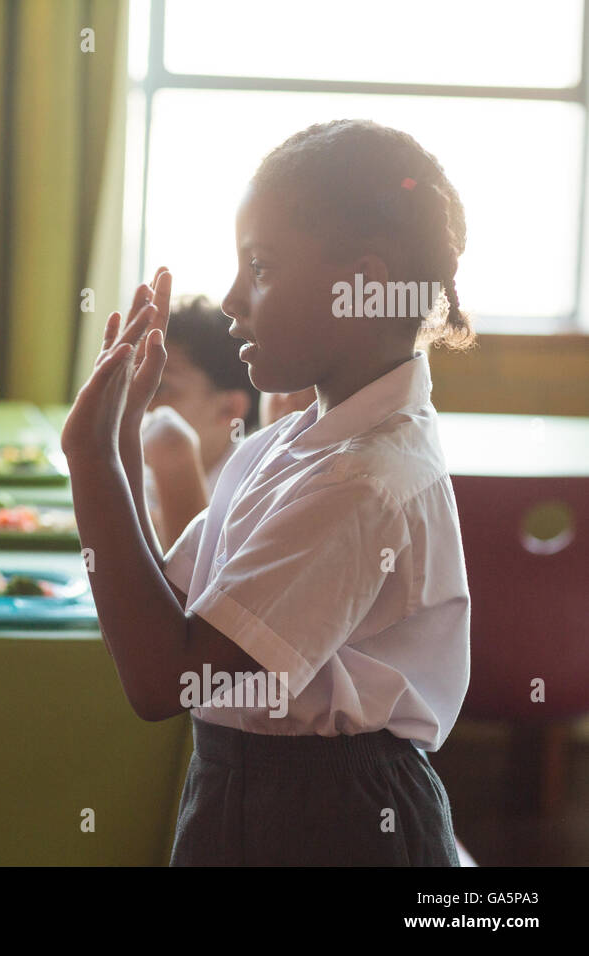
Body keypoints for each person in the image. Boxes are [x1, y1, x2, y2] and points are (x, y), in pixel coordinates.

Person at [61, 119, 472, 865]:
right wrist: (118, 445)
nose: (229, 299)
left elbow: (163, 679)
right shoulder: (291, 443)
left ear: (364, 288)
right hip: (244, 787)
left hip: (334, 818)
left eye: (259, 267)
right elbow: (170, 610)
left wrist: (92, 463)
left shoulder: (360, 484)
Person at [138, 294, 259, 546]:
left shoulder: (247, 502)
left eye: (159, 389)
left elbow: (191, 581)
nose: (137, 403)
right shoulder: (148, 473)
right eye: (135, 381)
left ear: (228, 408)